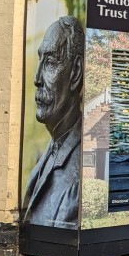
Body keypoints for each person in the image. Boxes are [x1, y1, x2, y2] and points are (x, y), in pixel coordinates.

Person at [23, 17, 84, 228]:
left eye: (49, 63)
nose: (37, 78)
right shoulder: (50, 151)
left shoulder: (78, 183)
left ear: (75, 73)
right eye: (40, 60)